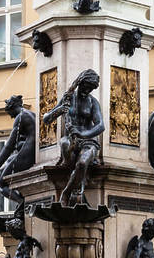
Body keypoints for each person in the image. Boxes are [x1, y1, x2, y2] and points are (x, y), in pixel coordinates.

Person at [42, 69, 104, 206]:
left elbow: (100, 126)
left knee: (82, 163)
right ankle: (76, 174)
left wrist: (83, 134)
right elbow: (46, 119)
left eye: (90, 88)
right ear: (80, 83)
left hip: (89, 141)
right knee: (64, 144)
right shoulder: (68, 98)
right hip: (70, 138)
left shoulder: (93, 102)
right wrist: (59, 110)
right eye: (85, 86)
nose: (87, 90)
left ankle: (66, 191)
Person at [0, 95, 37, 208]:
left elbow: (8, 147)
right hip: (33, 152)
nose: (10, 117)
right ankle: (23, 202)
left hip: (28, 153)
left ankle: (24, 205)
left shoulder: (21, 117)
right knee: (4, 170)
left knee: (3, 184)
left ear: (11, 107)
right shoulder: (31, 114)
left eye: (8, 112)